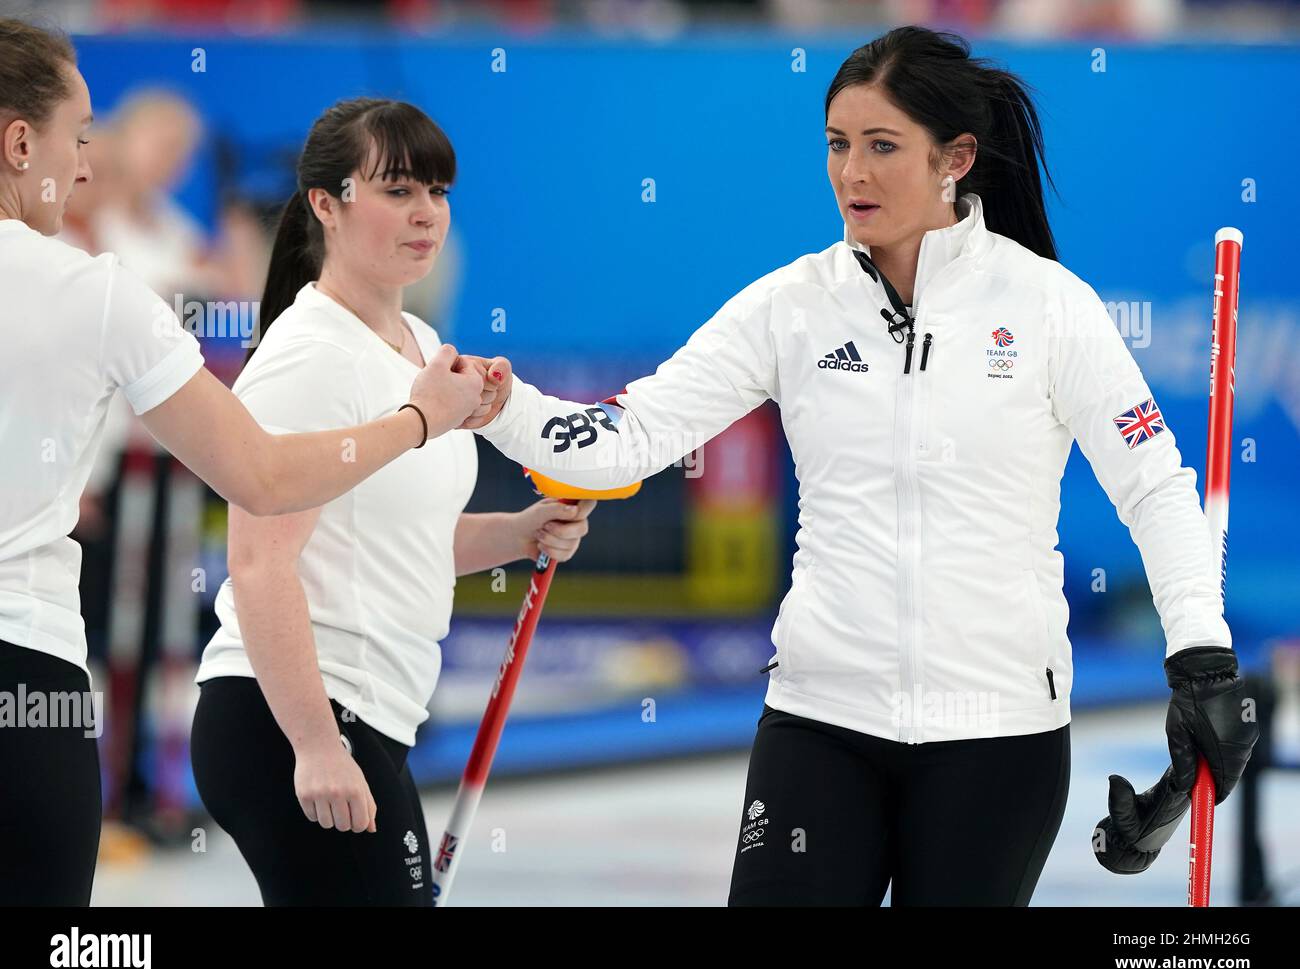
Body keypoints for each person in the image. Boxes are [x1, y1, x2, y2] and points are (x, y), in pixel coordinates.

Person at [461, 26, 1257, 905]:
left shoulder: (1047, 307)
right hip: (820, 719)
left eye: (882, 147)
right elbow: (631, 433)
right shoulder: (794, 304)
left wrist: (1201, 656)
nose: (853, 173)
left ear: (955, 157)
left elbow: (1154, 485)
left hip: (999, 735)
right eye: (839, 145)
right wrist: (501, 405)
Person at [0, 18, 491, 906]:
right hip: (26, 673)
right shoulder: (100, 291)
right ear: (18, 141)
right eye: (79, 139)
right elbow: (260, 483)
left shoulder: (119, 284)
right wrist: (419, 418)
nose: (85, 168)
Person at [188, 98, 595, 907]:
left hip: (368, 714)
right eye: (399, 190)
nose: (426, 215)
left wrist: (519, 532)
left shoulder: (414, 346)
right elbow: (260, 562)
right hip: (291, 714)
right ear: (326, 205)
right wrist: (313, 743)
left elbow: (395, 539)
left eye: (438, 193)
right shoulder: (308, 357)